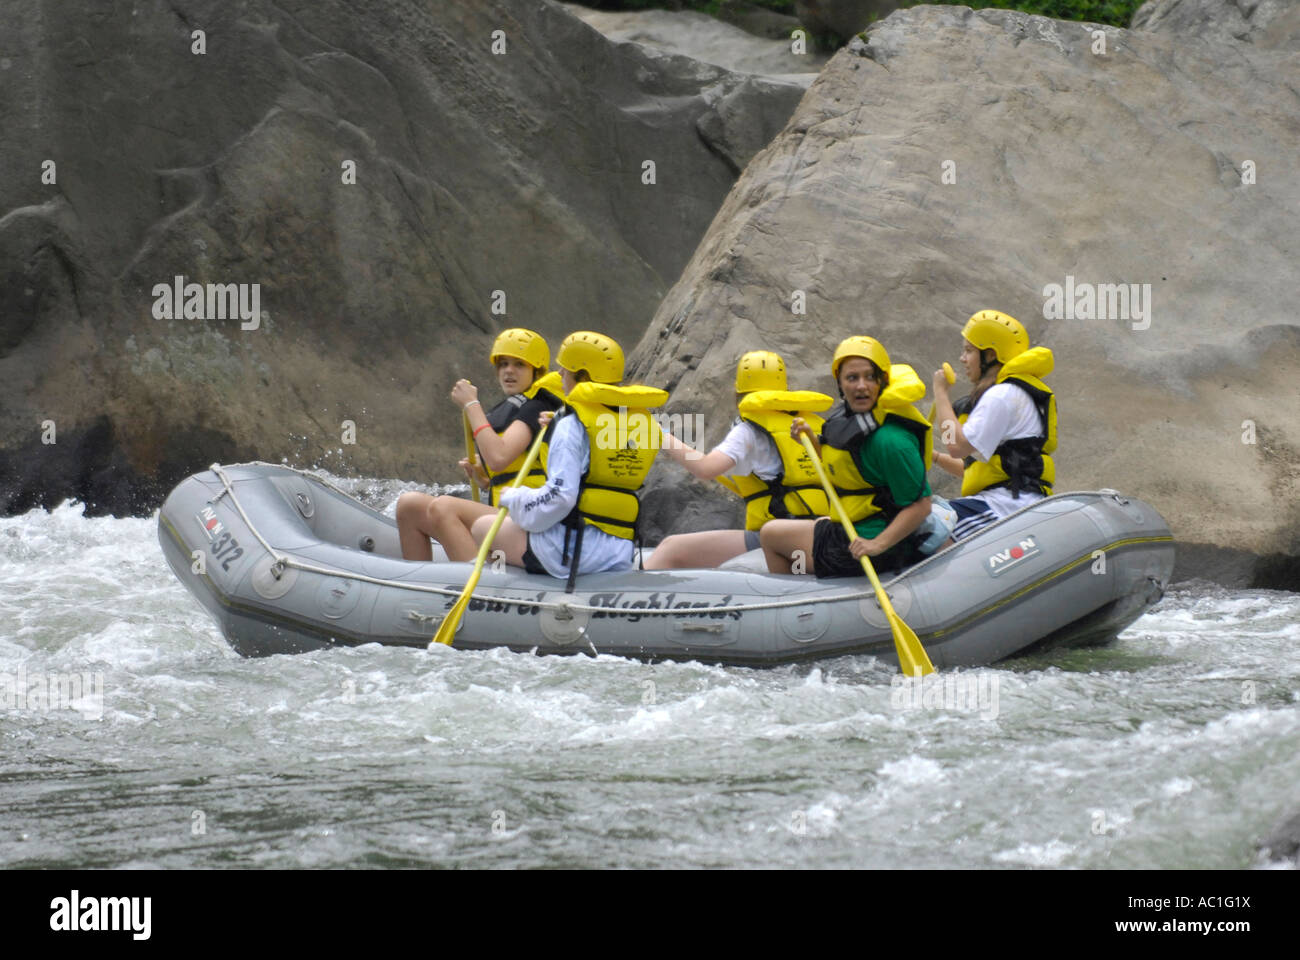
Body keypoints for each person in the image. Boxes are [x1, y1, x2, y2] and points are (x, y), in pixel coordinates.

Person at [467, 331, 668, 587]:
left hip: (572, 553)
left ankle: (500, 598)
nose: (559, 374)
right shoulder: (641, 423)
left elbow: (560, 498)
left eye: (565, 369)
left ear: (581, 375)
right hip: (619, 552)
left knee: (483, 527)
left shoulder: (570, 425)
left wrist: (513, 498)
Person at [760, 337, 933, 577]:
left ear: (883, 381)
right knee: (796, 527)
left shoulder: (892, 442)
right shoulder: (849, 421)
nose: (861, 386)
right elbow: (850, 470)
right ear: (840, 384)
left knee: (770, 535)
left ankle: (790, 600)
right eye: (852, 378)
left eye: (869, 377)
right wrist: (810, 440)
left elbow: (922, 506)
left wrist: (877, 544)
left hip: (871, 543)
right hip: (851, 526)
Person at [646, 351, 834, 569]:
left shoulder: (748, 430)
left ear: (738, 393)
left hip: (779, 538)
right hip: (820, 532)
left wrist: (658, 434)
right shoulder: (812, 424)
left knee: (671, 548)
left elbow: (705, 468)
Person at [396, 328, 563, 561]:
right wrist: (484, 482)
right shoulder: (517, 407)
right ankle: (418, 589)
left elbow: (498, 456)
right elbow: (510, 470)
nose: (509, 371)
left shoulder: (537, 408)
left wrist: (471, 404)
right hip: (508, 515)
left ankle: (479, 590)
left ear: (537, 370)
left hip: (530, 523)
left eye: (519, 364)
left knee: (444, 507)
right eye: (503, 364)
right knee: (409, 505)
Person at [931, 310, 1057, 541]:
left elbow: (955, 446)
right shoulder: (1013, 394)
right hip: (1014, 499)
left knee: (927, 524)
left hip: (1005, 506)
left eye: (968, 351)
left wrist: (940, 393)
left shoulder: (1001, 395)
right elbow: (974, 468)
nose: (962, 358)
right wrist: (934, 457)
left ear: (989, 355)